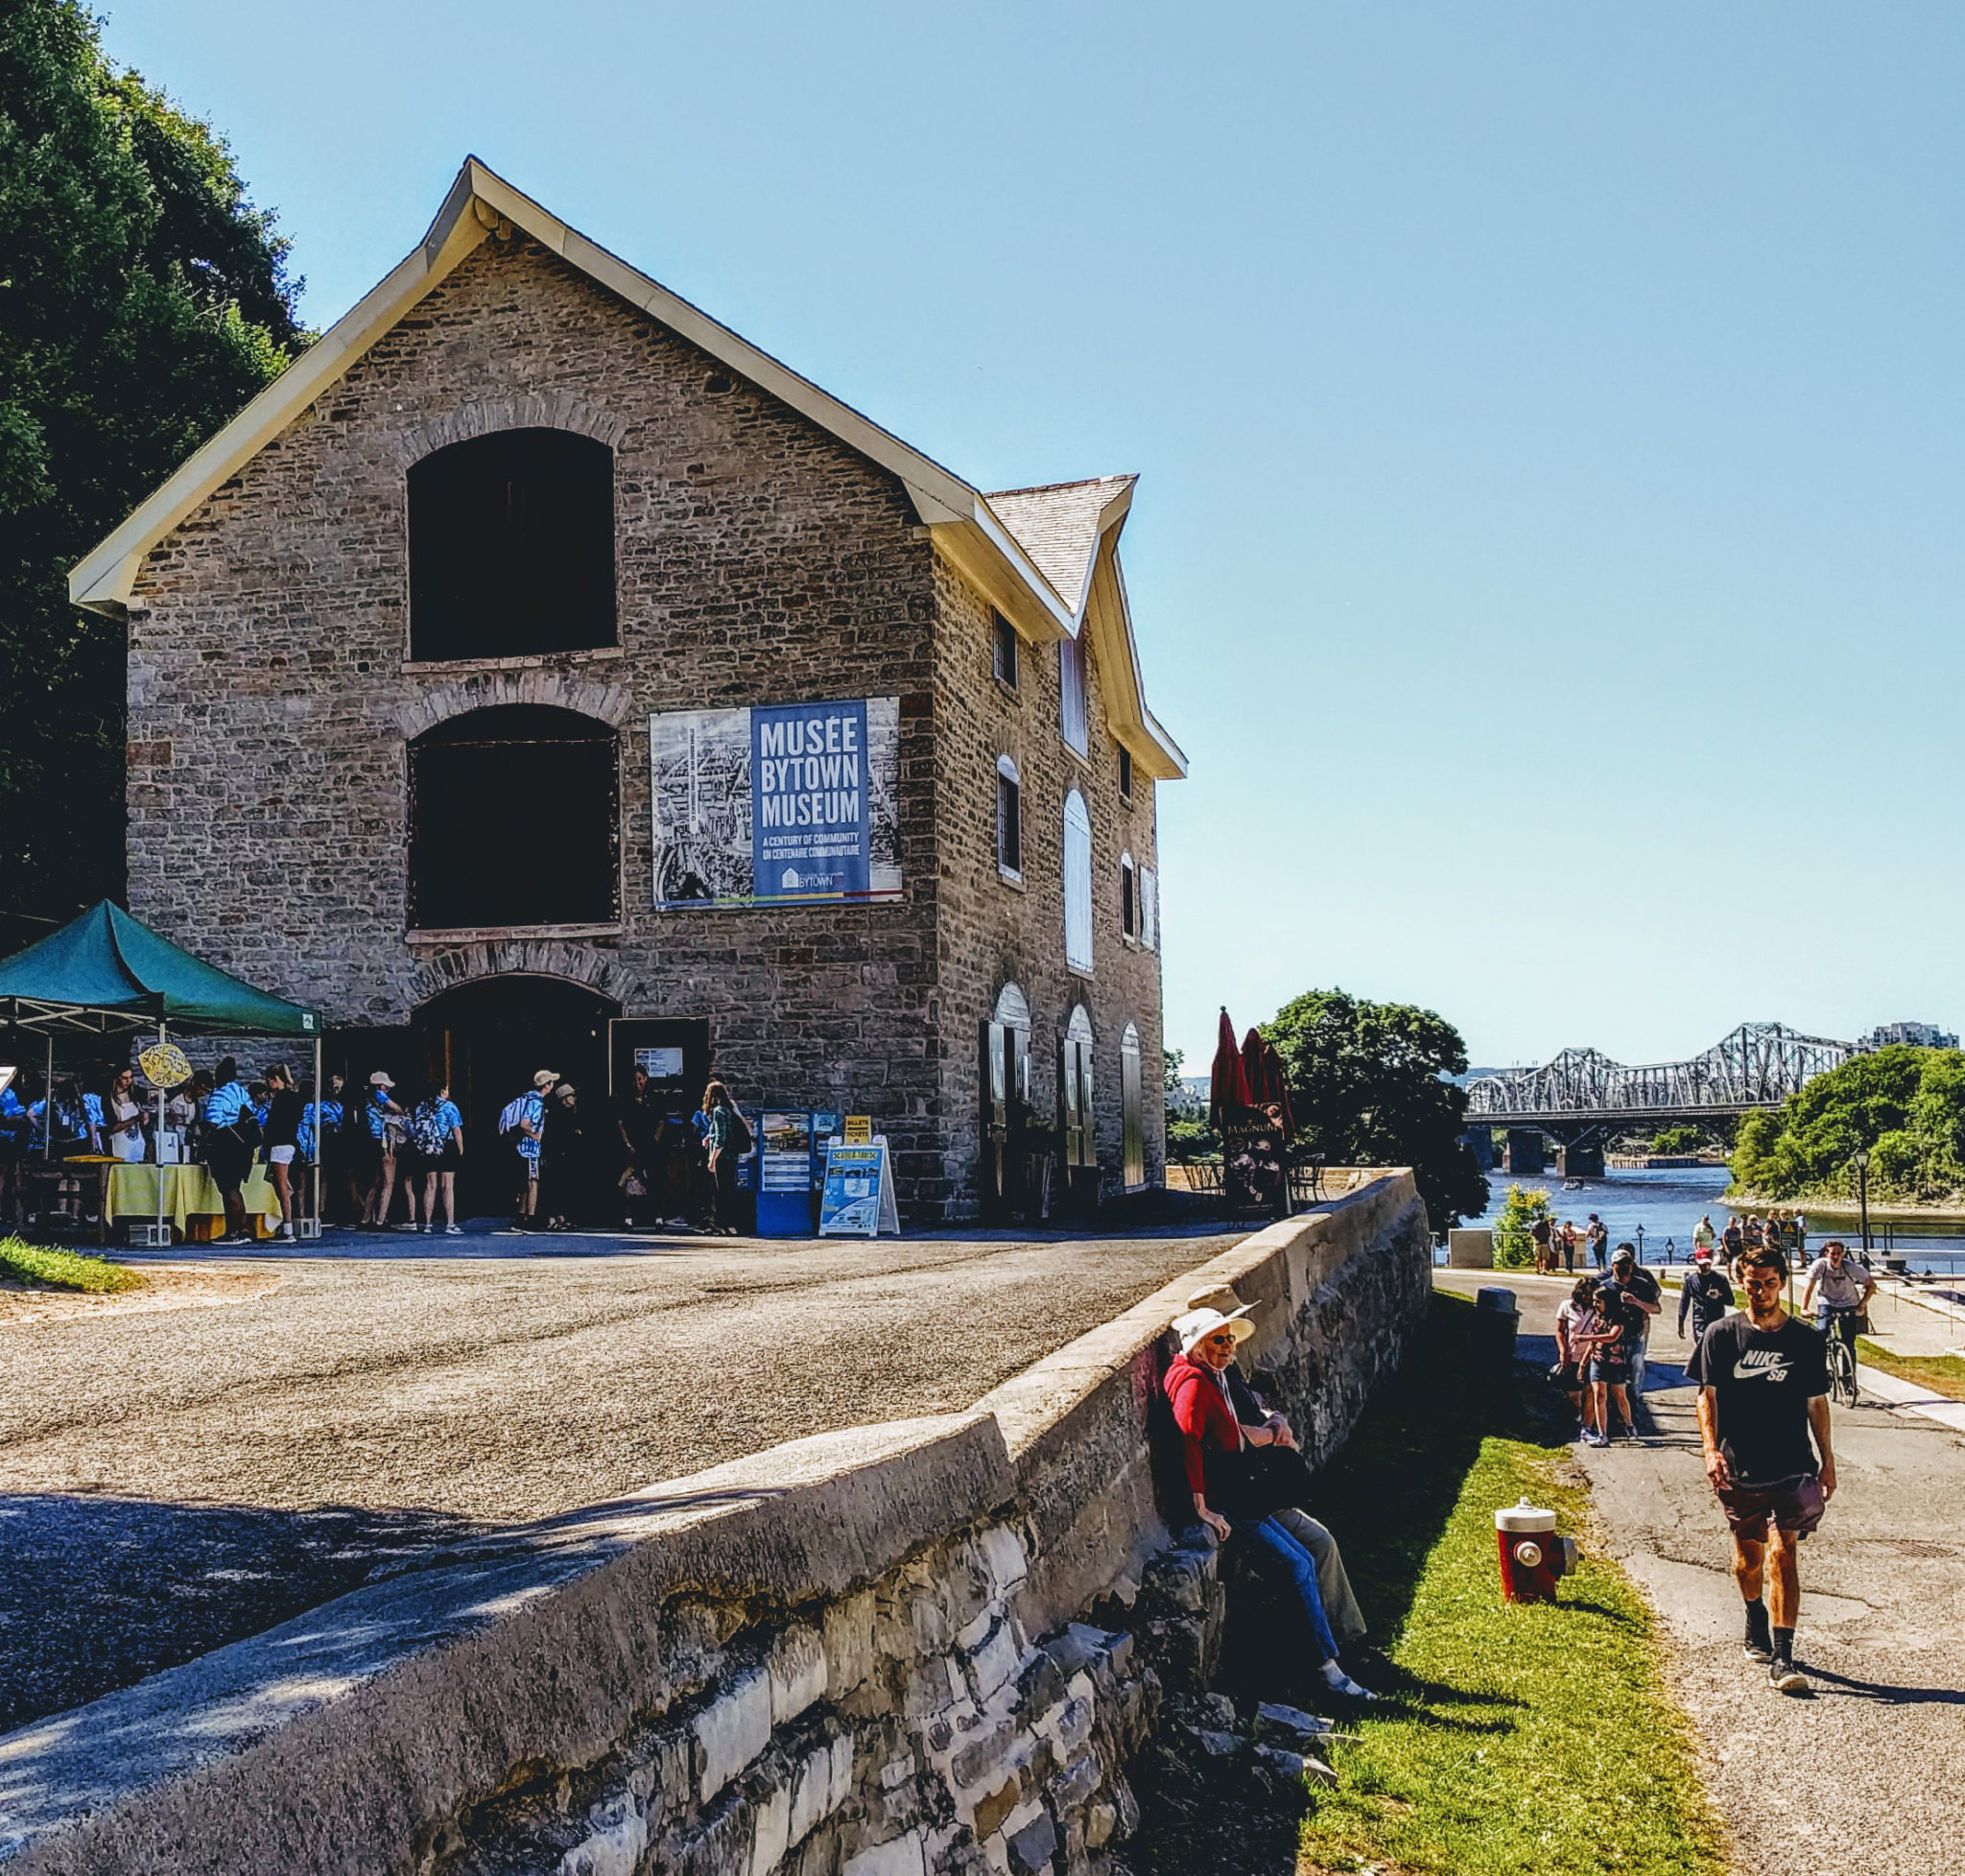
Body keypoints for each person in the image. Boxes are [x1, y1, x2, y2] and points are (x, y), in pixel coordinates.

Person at [1163, 1307, 1376, 1699]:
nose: (1228, 1347)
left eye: (1230, 1339)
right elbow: (1187, 1439)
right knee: (1297, 1562)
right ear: (1196, 1346)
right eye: (1218, 1340)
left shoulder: (1217, 1376)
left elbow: (1234, 1418)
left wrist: (1269, 1423)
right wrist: (1201, 1506)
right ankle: (1325, 1669)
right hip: (1229, 1499)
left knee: (1312, 1551)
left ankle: (1337, 1651)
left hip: (1246, 1492)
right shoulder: (1193, 1380)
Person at [1689, 1243, 1836, 1695]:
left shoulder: (1806, 1340)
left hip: (1792, 1463)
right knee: (1748, 1560)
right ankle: (1754, 1617)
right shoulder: (1720, 1334)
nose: (1762, 1291)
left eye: (1771, 1283)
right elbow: (1706, 1396)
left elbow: (1816, 1403)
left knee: (1783, 1552)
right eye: (1754, 1283)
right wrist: (1710, 1450)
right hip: (1739, 1464)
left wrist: (1828, 1462)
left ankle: (1783, 1656)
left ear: (1782, 1285)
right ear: (1742, 1281)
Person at [202, 1056, 259, 1244]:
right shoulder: (242, 1092)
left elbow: (212, 1122)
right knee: (236, 1188)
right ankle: (241, 1230)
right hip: (243, 1147)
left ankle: (233, 1231)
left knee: (229, 1190)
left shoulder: (220, 1094)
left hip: (225, 1146)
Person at [1600, 1243, 1662, 1398]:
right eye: (1621, 1264)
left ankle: (1634, 1401)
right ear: (1613, 1265)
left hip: (1635, 1333)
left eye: (1628, 1262)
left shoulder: (1643, 1282)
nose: (1626, 1266)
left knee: (1636, 1366)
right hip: (1612, 1338)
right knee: (1611, 1374)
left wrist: (1637, 1303)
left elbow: (1657, 1308)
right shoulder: (1605, 1286)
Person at [1801, 1240, 1875, 1364]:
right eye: (1832, 1253)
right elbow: (1809, 1287)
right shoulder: (1820, 1265)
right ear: (1826, 1254)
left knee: (1848, 1342)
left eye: (1839, 1253)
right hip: (1827, 1302)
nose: (1836, 1256)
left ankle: (1848, 1378)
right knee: (1821, 1333)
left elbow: (1871, 1284)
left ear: (1843, 1254)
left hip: (1848, 1303)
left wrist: (1862, 1305)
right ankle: (1820, 1369)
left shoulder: (1850, 1267)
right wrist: (1804, 1308)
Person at [411, 1080, 464, 1235]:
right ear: (442, 1091)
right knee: (447, 1186)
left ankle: (427, 1224)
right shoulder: (449, 1106)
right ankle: (450, 1224)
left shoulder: (422, 1107)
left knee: (430, 1186)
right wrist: (460, 1149)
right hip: (446, 1147)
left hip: (429, 1147)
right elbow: (456, 1129)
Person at [506, 1070, 556, 1230]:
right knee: (533, 1182)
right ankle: (530, 1219)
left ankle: (522, 1217)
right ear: (547, 1085)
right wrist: (535, 1135)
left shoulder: (529, 1098)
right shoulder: (536, 1102)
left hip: (524, 1147)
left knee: (525, 1183)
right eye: (551, 1083)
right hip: (530, 1148)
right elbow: (524, 1123)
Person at [261, 1064, 304, 1241]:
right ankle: (286, 1224)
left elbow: (274, 1123)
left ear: (274, 1079)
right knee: (282, 1183)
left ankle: (287, 1228)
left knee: (281, 1186)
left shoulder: (281, 1098)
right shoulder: (294, 1097)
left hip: (280, 1143)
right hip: (289, 1143)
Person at [1554, 1275, 1599, 1438]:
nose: (1587, 1297)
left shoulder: (1599, 1309)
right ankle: (1579, 1415)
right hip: (1572, 1355)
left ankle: (1587, 1427)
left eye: (1591, 1293)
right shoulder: (1567, 1306)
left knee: (1590, 1391)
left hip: (1592, 1356)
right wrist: (1563, 1351)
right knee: (1573, 1393)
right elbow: (1560, 1331)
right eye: (1585, 1293)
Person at [702, 1080, 750, 1236]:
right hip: (733, 1155)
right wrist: (710, 1136)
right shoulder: (729, 1110)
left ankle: (723, 1224)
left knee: (720, 1192)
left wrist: (712, 1159)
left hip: (722, 1157)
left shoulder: (718, 1111)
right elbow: (723, 1131)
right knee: (728, 1190)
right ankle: (730, 1225)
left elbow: (721, 1138)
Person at [360, 1071, 406, 1230]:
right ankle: (381, 1220)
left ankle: (365, 1219)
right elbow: (397, 1108)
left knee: (376, 1182)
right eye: (386, 1087)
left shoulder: (367, 1100)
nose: (388, 1090)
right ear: (380, 1086)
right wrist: (398, 1113)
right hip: (383, 1141)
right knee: (388, 1182)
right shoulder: (379, 1095)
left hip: (370, 1141)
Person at [1678, 1246, 1737, 1346]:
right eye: (1702, 1264)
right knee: (1701, 1348)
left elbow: (1731, 1301)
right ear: (1697, 1262)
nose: (1705, 1267)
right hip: (1699, 1321)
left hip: (1717, 1321)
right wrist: (1681, 1322)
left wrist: (1719, 1296)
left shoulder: (1720, 1279)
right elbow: (1684, 1302)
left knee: (1715, 1349)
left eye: (1707, 1264)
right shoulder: (1690, 1281)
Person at [104, 1065, 147, 1163]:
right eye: (124, 1078)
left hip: (136, 1142)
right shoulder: (108, 1099)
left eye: (130, 1077)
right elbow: (112, 1127)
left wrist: (145, 1117)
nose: (128, 1081)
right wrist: (134, 1120)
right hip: (120, 1144)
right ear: (117, 1078)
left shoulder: (134, 1093)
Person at [1529, 1210, 1553, 1275]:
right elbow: (1549, 1233)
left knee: (1537, 1257)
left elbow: (1531, 1233)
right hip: (1545, 1243)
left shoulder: (1534, 1224)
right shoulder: (1545, 1224)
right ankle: (1544, 1270)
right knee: (1545, 1258)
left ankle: (1537, 1269)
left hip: (1537, 1242)